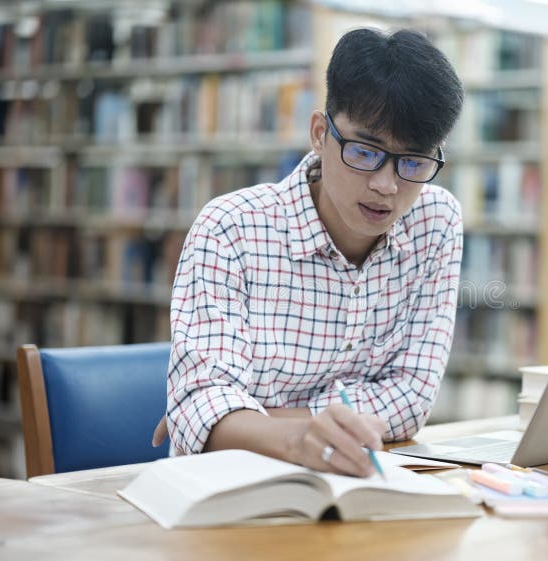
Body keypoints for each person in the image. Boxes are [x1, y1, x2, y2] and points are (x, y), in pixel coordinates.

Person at [155, 27, 464, 478]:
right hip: (227, 491)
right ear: (320, 133)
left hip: (358, 481)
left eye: (413, 162)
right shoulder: (230, 228)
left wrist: (250, 417)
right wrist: (296, 436)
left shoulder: (435, 222)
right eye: (365, 151)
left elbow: (413, 399)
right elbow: (200, 406)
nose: (387, 185)